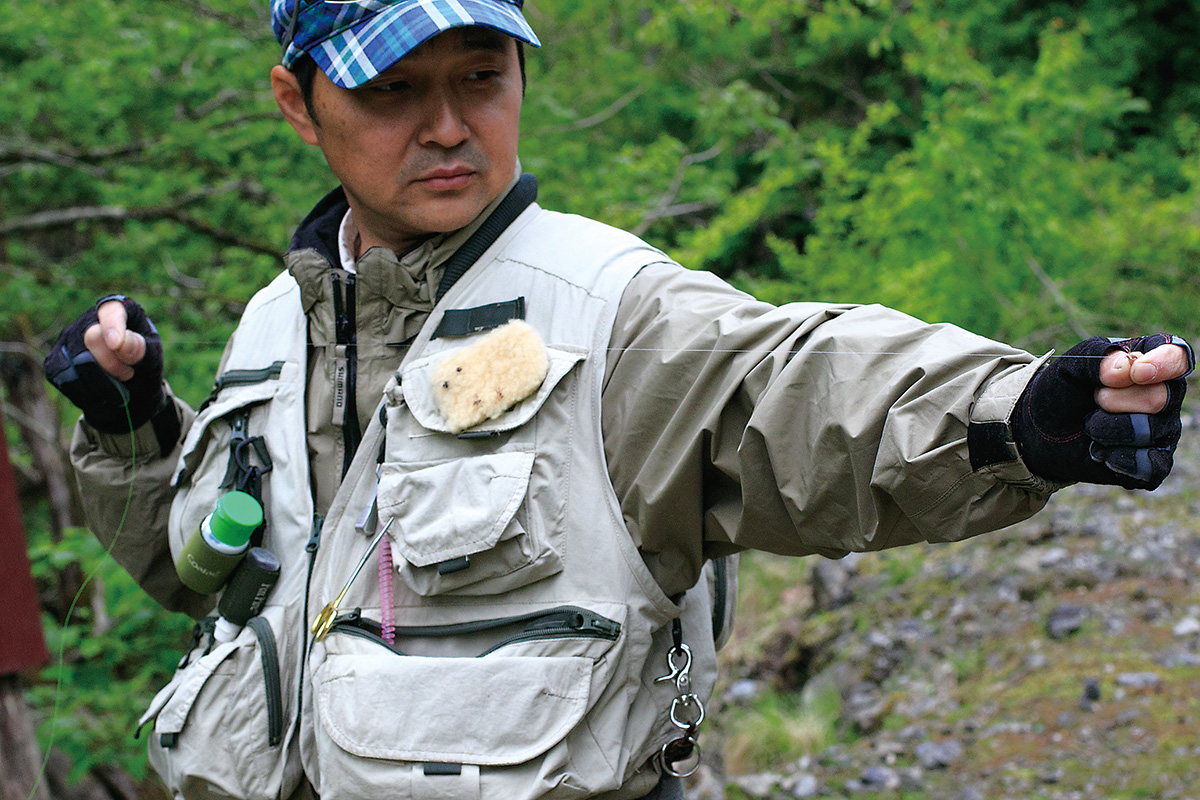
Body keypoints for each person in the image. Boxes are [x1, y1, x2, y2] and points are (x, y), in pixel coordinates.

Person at [42, 2, 1191, 799]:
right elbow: (201, 575)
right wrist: (130, 427)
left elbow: (796, 383)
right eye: (394, 90)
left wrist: (1020, 408)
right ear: (299, 102)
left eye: (482, 78)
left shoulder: (613, 310)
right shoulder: (271, 328)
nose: (448, 126)